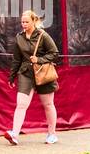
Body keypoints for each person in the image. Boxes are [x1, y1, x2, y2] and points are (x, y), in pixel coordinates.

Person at [4, 9, 60, 145]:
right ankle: (14, 134)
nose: (24, 24)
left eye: (26, 22)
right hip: (26, 73)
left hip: (43, 72)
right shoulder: (19, 37)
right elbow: (16, 59)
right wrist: (12, 77)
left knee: (48, 104)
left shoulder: (43, 35)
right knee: (21, 104)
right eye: (22, 22)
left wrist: (39, 60)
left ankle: (52, 134)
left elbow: (54, 53)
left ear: (34, 21)